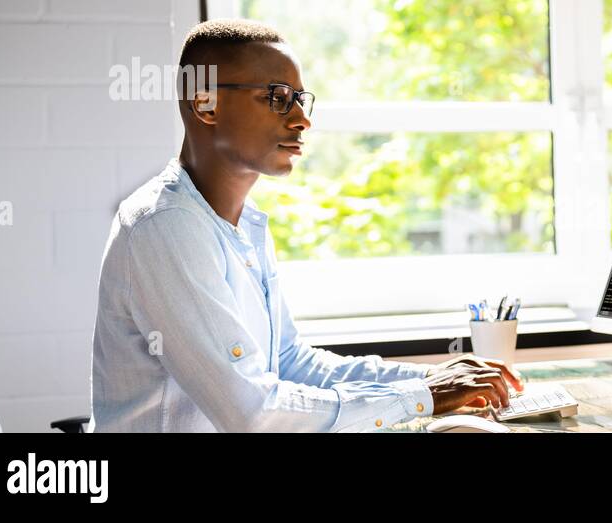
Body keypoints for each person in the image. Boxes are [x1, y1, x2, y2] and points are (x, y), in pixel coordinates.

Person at [90, 19, 520, 432]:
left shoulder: (244, 224)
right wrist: (422, 396)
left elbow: (290, 362)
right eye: (278, 97)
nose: (302, 119)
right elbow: (254, 416)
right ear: (205, 103)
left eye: (300, 98)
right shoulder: (165, 227)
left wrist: (430, 379)